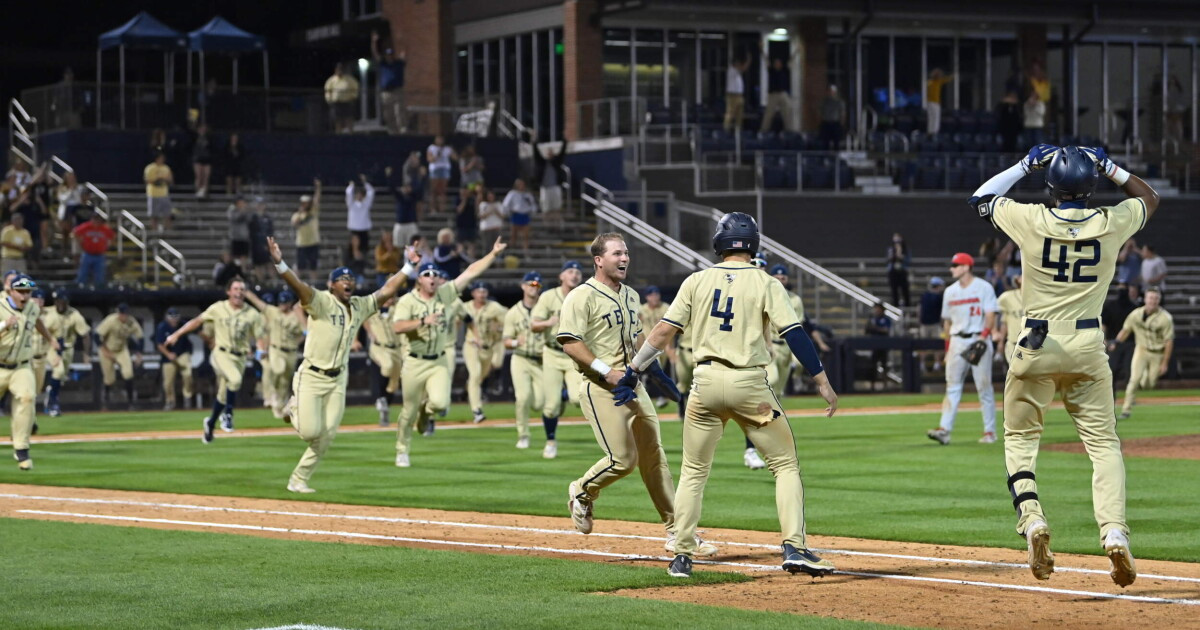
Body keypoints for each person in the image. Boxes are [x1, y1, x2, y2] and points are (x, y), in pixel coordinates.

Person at [970, 143, 1160, 587]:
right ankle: (1113, 530)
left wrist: (1024, 164)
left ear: (1051, 187)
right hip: (1088, 343)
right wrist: (1111, 167)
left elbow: (980, 198)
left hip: (1035, 342)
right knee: (1103, 445)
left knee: (1020, 440)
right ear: (1091, 187)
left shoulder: (1032, 218)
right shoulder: (1110, 222)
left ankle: (1033, 521)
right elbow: (1150, 197)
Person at [629, 214, 838, 578]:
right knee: (785, 465)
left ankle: (681, 555)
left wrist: (633, 369)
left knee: (693, 471)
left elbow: (663, 331)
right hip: (748, 385)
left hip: (705, 382)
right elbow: (794, 334)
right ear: (753, 243)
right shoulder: (765, 281)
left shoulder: (697, 279)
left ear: (720, 244)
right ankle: (794, 546)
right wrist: (820, 379)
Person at [560, 232, 713, 561]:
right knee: (623, 461)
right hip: (601, 387)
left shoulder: (630, 295)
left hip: (632, 385)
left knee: (654, 457)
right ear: (599, 260)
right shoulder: (581, 296)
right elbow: (570, 341)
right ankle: (582, 491)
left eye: (626, 252)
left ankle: (677, 531)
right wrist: (606, 371)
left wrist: (653, 368)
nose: (624, 258)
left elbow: (637, 336)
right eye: (617, 253)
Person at [266, 238, 412, 493]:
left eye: (351, 279)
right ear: (332, 285)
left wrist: (409, 267)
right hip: (312, 376)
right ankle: (294, 405)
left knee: (328, 435)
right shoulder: (322, 301)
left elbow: (387, 290)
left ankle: (298, 479)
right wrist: (280, 264)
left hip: (337, 380)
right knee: (311, 432)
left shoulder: (359, 305)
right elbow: (299, 287)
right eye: (342, 280)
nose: (348, 282)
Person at [391, 238, 508, 467]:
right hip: (414, 361)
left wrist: (492, 254)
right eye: (427, 274)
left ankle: (426, 412)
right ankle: (402, 449)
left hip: (438, 360)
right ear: (419, 281)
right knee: (407, 411)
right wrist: (423, 321)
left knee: (440, 404)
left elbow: (470, 273)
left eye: (435, 274)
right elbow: (398, 326)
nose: (432, 277)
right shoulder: (407, 301)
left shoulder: (445, 294)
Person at [166, 278, 266, 441]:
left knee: (223, 395)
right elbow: (197, 321)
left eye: (242, 289)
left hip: (239, 357)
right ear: (228, 292)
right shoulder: (218, 308)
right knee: (235, 380)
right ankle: (228, 414)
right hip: (221, 353)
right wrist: (176, 334)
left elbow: (259, 336)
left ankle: (211, 424)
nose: (239, 292)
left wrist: (261, 350)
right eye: (235, 289)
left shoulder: (252, 314)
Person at [926, 252, 999, 445]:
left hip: (978, 338)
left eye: (955, 265)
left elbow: (991, 315)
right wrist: (948, 348)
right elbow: (947, 323)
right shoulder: (950, 291)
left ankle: (990, 432)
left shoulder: (983, 287)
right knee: (952, 386)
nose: (952, 268)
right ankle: (945, 430)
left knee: (983, 387)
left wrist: (984, 337)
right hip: (957, 340)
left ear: (966, 267)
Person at [530, 260, 585, 460]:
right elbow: (533, 325)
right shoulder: (547, 296)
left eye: (578, 271)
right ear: (561, 276)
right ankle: (551, 441)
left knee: (577, 398)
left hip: (575, 353)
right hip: (552, 353)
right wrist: (548, 322)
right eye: (570, 271)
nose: (574, 274)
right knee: (551, 406)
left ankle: (564, 394)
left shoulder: (585, 295)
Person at [2, 276, 58, 471]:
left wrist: (50, 339)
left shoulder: (32, 308)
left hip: (21, 365)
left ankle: (21, 449)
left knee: (27, 397)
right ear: (11, 291)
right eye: (21, 291)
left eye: (28, 292)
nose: (25, 296)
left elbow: (37, 322)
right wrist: (3, 325)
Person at [244, 289, 306, 421]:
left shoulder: (296, 316)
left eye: (285, 303)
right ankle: (272, 395)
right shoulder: (273, 312)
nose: (282, 305)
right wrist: (247, 293)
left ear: (290, 303)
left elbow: (305, 332)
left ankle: (280, 405)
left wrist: (297, 341)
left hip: (291, 351)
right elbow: (259, 303)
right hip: (276, 348)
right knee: (278, 369)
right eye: (281, 303)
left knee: (285, 380)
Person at [1113, 286, 1173, 420]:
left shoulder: (1165, 318)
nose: (1153, 301)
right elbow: (1126, 330)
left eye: (1156, 298)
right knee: (1133, 380)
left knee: (1149, 384)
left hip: (1157, 353)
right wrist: (1116, 342)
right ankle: (1126, 410)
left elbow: (1168, 341)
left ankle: (1145, 375)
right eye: (1151, 297)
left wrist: (1165, 363)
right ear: (1145, 299)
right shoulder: (1136, 314)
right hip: (1141, 349)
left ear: (1159, 300)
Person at [503, 271, 546, 451]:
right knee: (522, 398)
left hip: (542, 360)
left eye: (536, 285)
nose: (533, 287)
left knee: (540, 403)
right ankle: (523, 434)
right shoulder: (513, 312)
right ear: (523, 286)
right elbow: (506, 341)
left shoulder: (545, 309)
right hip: (521, 358)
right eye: (530, 284)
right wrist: (514, 342)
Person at [462, 281, 507, 425]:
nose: (481, 294)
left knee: (480, 377)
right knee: (475, 375)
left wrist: (500, 329)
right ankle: (477, 410)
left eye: (484, 291)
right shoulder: (465, 307)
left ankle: (467, 391)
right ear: (473, 293)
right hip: (471, 346)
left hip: (488, 348)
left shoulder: (494, 307)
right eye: (478, 291)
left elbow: (509, 320)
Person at [42, 289, 89, 417]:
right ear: (55, 301)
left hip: (68, 349)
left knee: (61, 378)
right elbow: (40, 331)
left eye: (63, 301)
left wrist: (86, 354)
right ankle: (53, 404)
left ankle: (51, 395)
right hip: (51, 346)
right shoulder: (48, 313)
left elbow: (85, 334)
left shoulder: (74, 314)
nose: (61, 304)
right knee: (59, 371)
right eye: (58, 301)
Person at [364, 294, 405, 426]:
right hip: (379, 347)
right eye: (387, 297)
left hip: (397, 348)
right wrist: (369, 331)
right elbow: (362, 318)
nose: (389, 300)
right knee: (387, 366)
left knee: (394, 384)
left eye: (392, 297)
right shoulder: (372, 309)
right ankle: (381, 398)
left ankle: (385, 406)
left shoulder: (399, 308)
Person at [95, 303, 143, 411]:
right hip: (107, 349)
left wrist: (139, 353)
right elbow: (97, 335)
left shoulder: (131, 322)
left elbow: (140, 337)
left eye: (125, 313)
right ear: (118, 313)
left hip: (121, 350)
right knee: (109, 379)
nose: (124, 316)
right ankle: (105, 401)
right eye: (122, 313)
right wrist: (105, 351)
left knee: (128, 374)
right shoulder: (111, 320)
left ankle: (131, 403)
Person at [155, 308, 194, 411]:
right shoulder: (162, 327)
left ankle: (187, 397)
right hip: (168, 356)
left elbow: (195, 328)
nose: (174, 320)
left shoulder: (183, 324)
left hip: (182, 353)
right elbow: (159, 344)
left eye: (176, 317)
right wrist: (168, 354)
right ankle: (170, 401)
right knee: (168, 382)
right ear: (167, 317)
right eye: (171, 317)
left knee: (188, 374)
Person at [371, 31, 408, 135]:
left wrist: (403, 41)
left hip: (397, 90)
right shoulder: (383, 64)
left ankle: (402, 129)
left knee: (399, 111)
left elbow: (404, 53)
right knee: (388, 113)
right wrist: (374, 42)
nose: (389, 56)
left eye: (391, 54)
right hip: (386, 92)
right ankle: (392, 131)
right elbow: (375, 53)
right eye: (387, 55)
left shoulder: (398, 63)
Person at [291, 179, 323, 284]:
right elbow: (294, 224)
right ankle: (296, 285)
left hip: (313, 243)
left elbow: (317, 199)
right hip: (302, 244)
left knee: (313, 267)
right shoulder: (297, 215)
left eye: (307, 202)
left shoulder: (313, 211)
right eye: (303, 203)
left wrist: (318, 188)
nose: (305, 204)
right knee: (300, 267)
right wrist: (300, 214)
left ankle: (314, 286)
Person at [345, 175, 376, 280]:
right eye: (357, 194)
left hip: (364, 232)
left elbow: (371, 192)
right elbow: (348, 194)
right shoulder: (351, 204)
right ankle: (351, 272)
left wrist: (365, 182)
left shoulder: (366, 204)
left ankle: (361, 273)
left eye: (361, 195)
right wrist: (351, 186)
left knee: (363, 252)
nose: (359, 196)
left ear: (363, 196)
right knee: (352, 253)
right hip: (354, 231)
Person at [533, 137, 568, 226]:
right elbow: (536, 154)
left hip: (555, 187)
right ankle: (546, 225)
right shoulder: (542, 163)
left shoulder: (556, 163)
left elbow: (562, 153)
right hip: (545, 188)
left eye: (551, 152)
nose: (550, 154)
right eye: (548, 152)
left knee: (556, 208)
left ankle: (556, 225)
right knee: (546, 208)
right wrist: (534, 142)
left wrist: (565, 142)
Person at [760, 54, 795, 132]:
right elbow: (766, 60)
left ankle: (789, 130)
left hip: (783, 93)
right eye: (775, 63)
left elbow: (790, 61)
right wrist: (761, 49)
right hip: (773, 94)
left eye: (778, 63)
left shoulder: (784, 71)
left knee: (788, 110)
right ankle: (763, 131)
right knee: (769, 113)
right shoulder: (771, 71)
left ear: (781, 64)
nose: (777, 64)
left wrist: (797, 51)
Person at [995, 274, 1026, 363]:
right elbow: (992, 310)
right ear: (1018, 280)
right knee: (1015, 374)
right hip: (1013, 344)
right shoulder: (1007, 297)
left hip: (1034, 345)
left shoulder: (1037, 298)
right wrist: (996, 333)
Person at [503, 179, 537, 258]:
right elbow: (506, 204)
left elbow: (533, 205)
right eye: (520, 184)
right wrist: (508, 213)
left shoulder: (527, 195)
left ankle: (526, 253)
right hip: (516, 215)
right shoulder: (512, 194)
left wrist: (532, 212)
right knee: (514, 236)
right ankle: (512, 253)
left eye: (523, 184)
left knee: (525, 236)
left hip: (525, 216)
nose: (522, 186)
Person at [388, 171, 420, 252]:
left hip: (410, 224)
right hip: (400, 224)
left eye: (408, 187)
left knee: (413, 245)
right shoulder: (400, 197)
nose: (406, 189)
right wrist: (389, 177)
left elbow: (418, 187)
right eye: (405, 187)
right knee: (398, 246)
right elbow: (392, 188)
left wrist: (420, 177)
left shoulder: (413, 196)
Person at [324, 63, 359, 133]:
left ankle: (350, 135)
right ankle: (338, 136)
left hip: (347, 102)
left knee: (349, 119)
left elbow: (356, 88)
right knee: (337, 120)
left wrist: (353, 97)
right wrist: (329, 100)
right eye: (338, 69)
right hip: (336, 103)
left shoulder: (350, 79)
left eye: (341, 69)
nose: (340, 71)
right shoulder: (331, 80)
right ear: (335, 70)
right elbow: (327, 91)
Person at [144, 151, 174, 232]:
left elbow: (170, 180)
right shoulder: (150, 168)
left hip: (164, 194)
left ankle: (168, 231)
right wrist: (157, 179)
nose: (163, 159)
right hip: (153, 194)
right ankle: (155, 231)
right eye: (161, 158)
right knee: (154, 215)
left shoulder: (166, 168)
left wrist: (166, 180)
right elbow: (148, 180)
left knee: (167, 214)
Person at [865, 302, 892, 389]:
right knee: (872, 366)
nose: (876, 310)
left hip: (884, 345)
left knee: (884, 365)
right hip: (874, 345)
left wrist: (875, 328)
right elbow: (866, 331)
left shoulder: (886, 319)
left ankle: (885, 385)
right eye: (875, 308)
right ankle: (872, 385)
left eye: (878, 308)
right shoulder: (872, 319)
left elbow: (886, 330)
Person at [426, 135, 455, 213]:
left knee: (442, 190)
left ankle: (442, 208)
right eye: (438, 139)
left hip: (445, 169)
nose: (440, 141)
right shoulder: (431, 148)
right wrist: (436, 156)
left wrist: (452, 151)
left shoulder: (447, 148)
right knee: (433, 190)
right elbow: (429, 159)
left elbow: (455, 158)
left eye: (441, 139)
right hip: (435, 169)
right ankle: (433, 208)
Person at [250, 197, 275, 282]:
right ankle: (261, 282)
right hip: (256, 244)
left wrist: (268, 244)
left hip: (266, 244)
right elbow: (251, 232)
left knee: (268, 264)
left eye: (261, 204)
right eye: (258, 204)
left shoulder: (268, 218)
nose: (260, 206)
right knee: (258, 264)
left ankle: (272, 282)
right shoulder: (252, 218)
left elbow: (271, 232)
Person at [724, 56, 749, 133]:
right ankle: (726, 130)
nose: (739, 64)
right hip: (732, 96)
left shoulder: (737, 71)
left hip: (739, 95)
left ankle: (738, 132)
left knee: (739, 115)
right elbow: (743, 69)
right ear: (734, 63)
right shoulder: (732, 70)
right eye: (738, 63)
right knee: (730, 114)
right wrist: (748, 60)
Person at [227, 196, 253, 269]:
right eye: (240, 203)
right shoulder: (232, 210)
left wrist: (246, 211)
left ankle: (243, 271)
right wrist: (242, 211)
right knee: (235, 256)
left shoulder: (246, 211)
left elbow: (250, 219)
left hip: (244, 237)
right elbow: (236, 218)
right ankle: (235, 270)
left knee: (244, 256)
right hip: (235, 237)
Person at [886, 233, 911, 306]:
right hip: (893, 272)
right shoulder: (890, 249)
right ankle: (895, 304)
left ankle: (907, 305)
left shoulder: (905, 249)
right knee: (894, 290)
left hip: (902, 271)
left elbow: (908, 260)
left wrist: (900, 255)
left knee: (905, 289)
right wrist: (895, 254)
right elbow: (888, 260)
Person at [925, 68, 953, 135]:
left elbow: (946, 79)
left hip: (934, 103)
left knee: (935, 118)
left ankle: (933, 132)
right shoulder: (931, 82)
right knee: (933, 118)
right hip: (931, 102)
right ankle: (931, 132)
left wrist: (952, 76)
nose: (939, 76)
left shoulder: (936, 82)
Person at [455, 187, 481, 258]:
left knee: (472, 244)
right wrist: (464, 200)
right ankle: (461, 259)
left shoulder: (473, 199)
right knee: (460, 244)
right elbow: (459, 210)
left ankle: (471, 260)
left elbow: (477, 211)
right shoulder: (458, 199)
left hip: (472, 225)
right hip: (461, 226)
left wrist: (476, 199)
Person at [192, 124, 213, 199]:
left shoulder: (209, 137)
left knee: (206, 177)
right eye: (200, 129)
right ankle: (198, 192)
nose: (202, 130)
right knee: (199, 176)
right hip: (198, 158)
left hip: (206, 159)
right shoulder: (194, 137)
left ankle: (204, 193)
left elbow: (212, 147)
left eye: (204, 129)